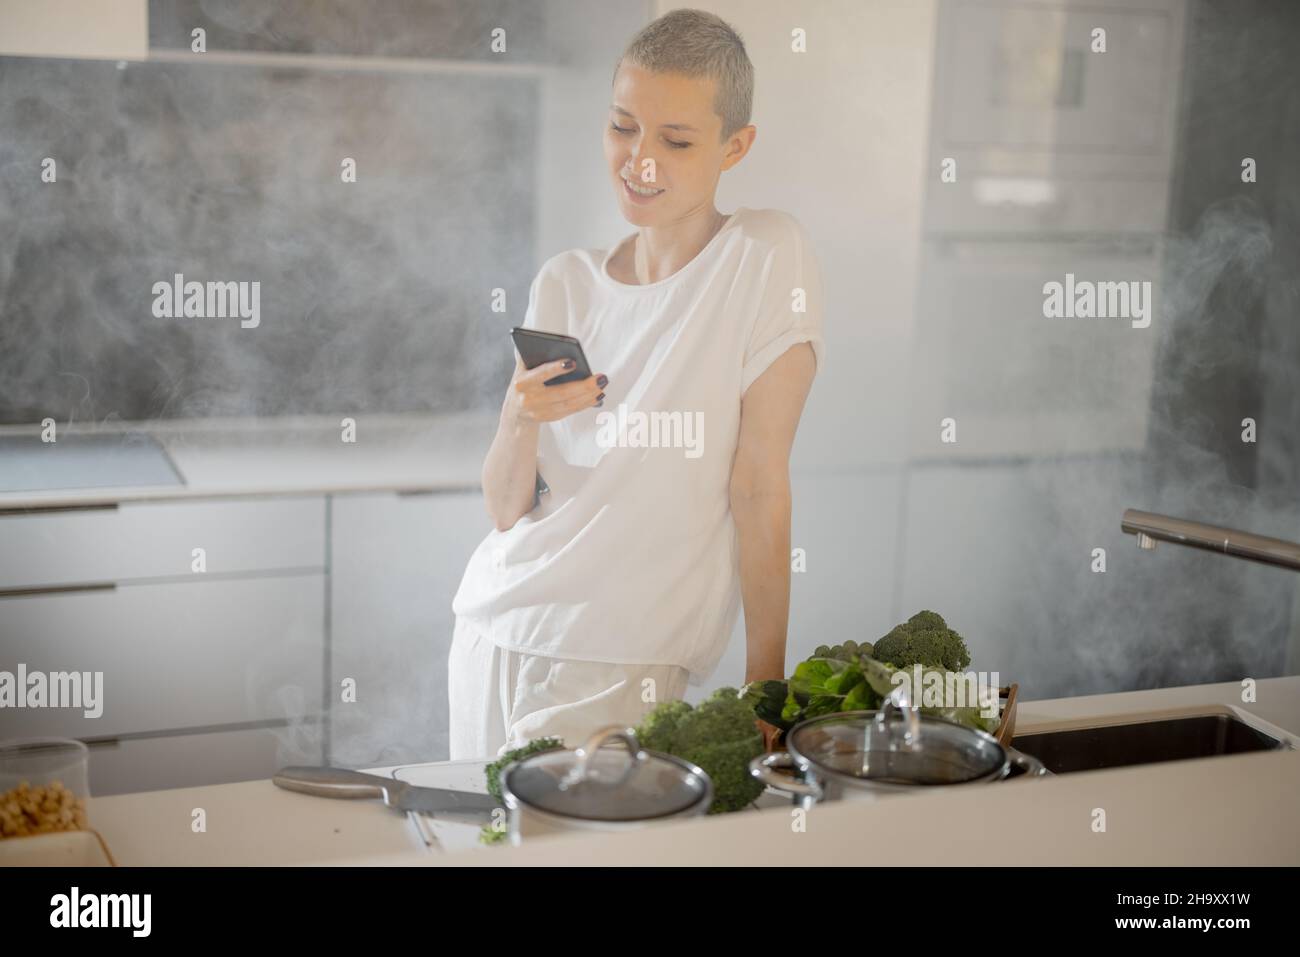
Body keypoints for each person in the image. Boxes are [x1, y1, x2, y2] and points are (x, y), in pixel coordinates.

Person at [448, 9, 824, 759]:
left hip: (621, 660)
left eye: (675, 140)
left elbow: (758, 486)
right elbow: (504, 509)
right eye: (623, 127)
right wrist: (518, 420)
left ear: (734, 146)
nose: (639, 160)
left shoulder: (762, 256)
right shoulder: (565, 281)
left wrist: (766, 683)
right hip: (491, 627)